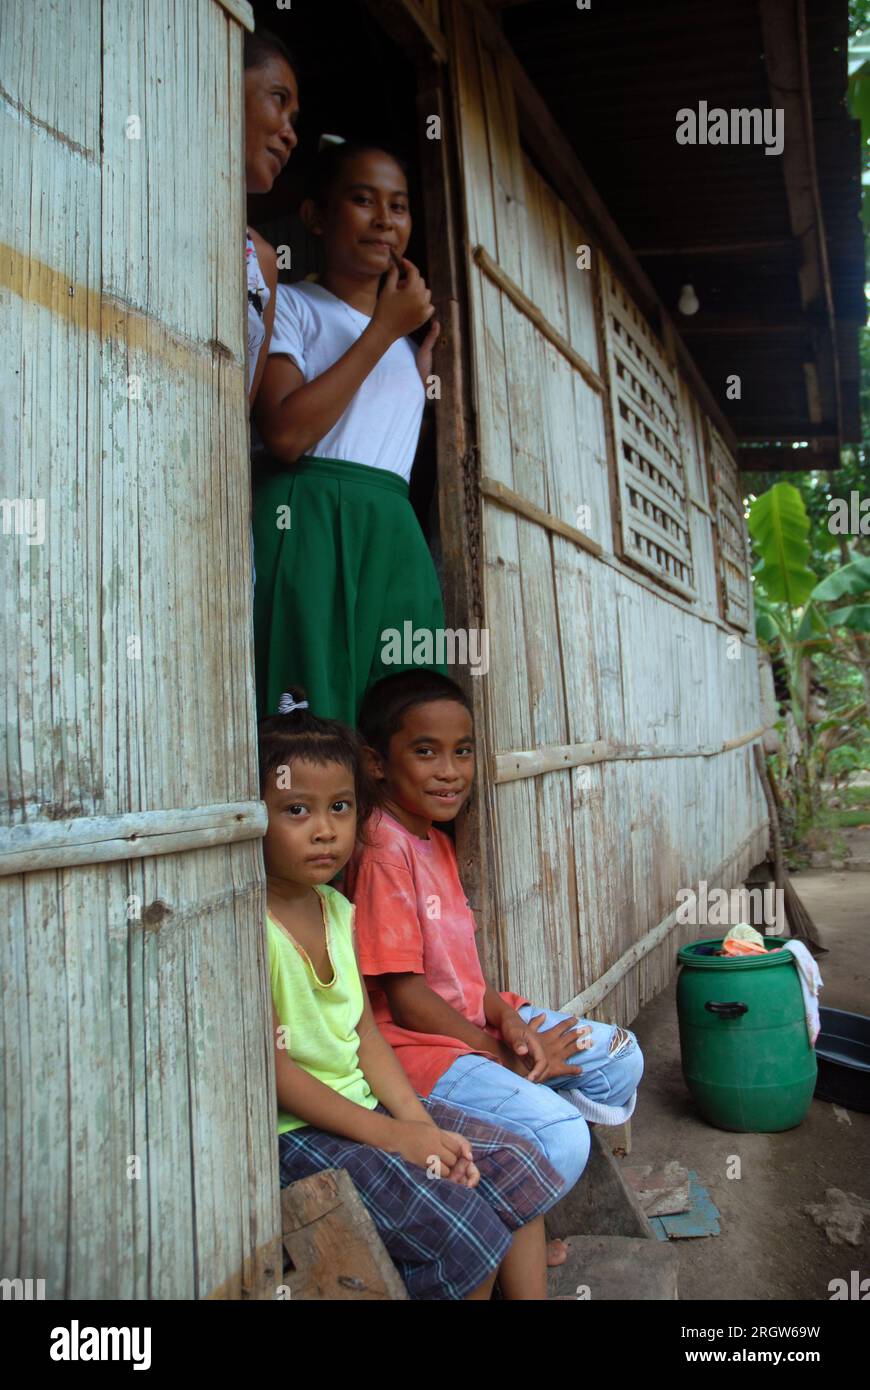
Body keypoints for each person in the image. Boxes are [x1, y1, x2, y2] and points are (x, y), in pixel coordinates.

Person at [261, 687, 569, 1300]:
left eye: (341, 808)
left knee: (515, 1168)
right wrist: (396, 1136)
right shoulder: (254, 930)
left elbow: (365, 1037)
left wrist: (419, 1123)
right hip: (299, 1133)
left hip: (368, 1108)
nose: (325, 831)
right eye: (297, 810)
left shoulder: (335, 911)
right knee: (466, 1231)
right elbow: (276, 1073)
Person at [343, 670, 645, 1201]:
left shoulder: (434, 840)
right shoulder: (382, 850)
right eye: (425, 752)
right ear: (376, 763)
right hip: (420, 1049)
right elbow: (409, 1001)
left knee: (622, 1055)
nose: (450, 772)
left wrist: (509, 1021)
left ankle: (526, 1135)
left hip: (479, 1024)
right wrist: (498, 1055)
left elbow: (464, 973)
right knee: (562, 1138)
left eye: (463, 752)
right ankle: (508, 1210)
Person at [252, 140, 444, 724]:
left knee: (398, 708)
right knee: (310, 708)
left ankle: (380, 822)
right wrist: (384, 331)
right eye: (363, 200)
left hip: (390, 532)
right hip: (309, 520)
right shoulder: (294, 306)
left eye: (399, 205)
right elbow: (284, 434)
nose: (385, 219)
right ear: (317, 215)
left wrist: (408, 357)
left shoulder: (411, 347)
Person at [244, 29, 300, 404]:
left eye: (293, 119)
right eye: (277, 100)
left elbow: (240, 410)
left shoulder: (262, 261)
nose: (290, 135)